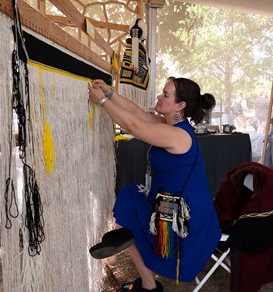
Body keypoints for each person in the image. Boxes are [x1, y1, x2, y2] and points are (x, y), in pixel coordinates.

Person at [87, 77, 221, 291]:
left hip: (185, 217)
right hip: (166, 200)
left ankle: (147, 281)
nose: (159, 96)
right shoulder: (169, 124)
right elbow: (138, 114)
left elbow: (133, 125)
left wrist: (102, 102)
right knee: (129, 197)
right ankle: (148, 282)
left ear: (180, 106)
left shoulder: (178, 135)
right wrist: (110, 93)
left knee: (130, 206)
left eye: (166, 95)